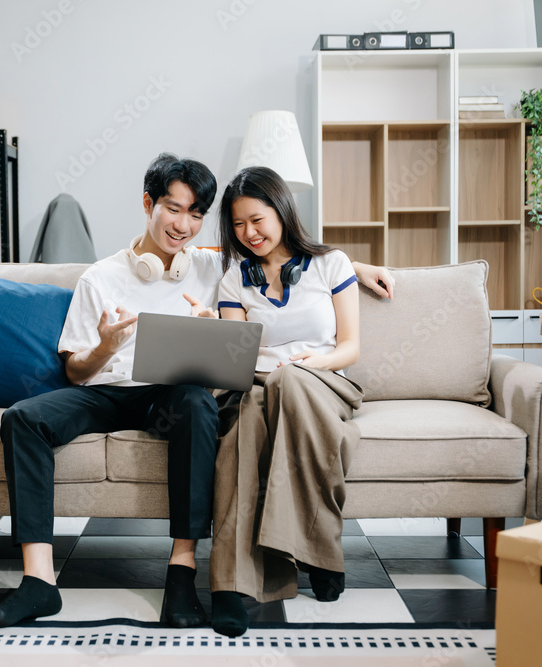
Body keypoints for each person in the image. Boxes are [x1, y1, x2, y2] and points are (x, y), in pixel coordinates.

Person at [0, 153, 394, 629]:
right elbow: (75, 371)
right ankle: (38, 583)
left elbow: (282, 256)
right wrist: (104, 347)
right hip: (108, 393)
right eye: (173, 209)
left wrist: (353, 266)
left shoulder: (213, 267)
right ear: (148, 203)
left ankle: (181, 573)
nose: (183, 224)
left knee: (198, 402)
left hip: (170, 395)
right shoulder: (100, 277)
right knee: (22, 418)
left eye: (196, 214)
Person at [208, 166, 372, 638]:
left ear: (281, 210)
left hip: (321, 383)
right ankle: (234, 586)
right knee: (245, 423)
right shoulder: (234, 282)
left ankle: (306, 552)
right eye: (238, 225)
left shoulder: (331, 264)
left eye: (257, 220)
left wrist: (308, 364)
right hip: (258, 386)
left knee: (292, 382)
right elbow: (236, 353)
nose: (249, 233)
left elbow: (350, 347)